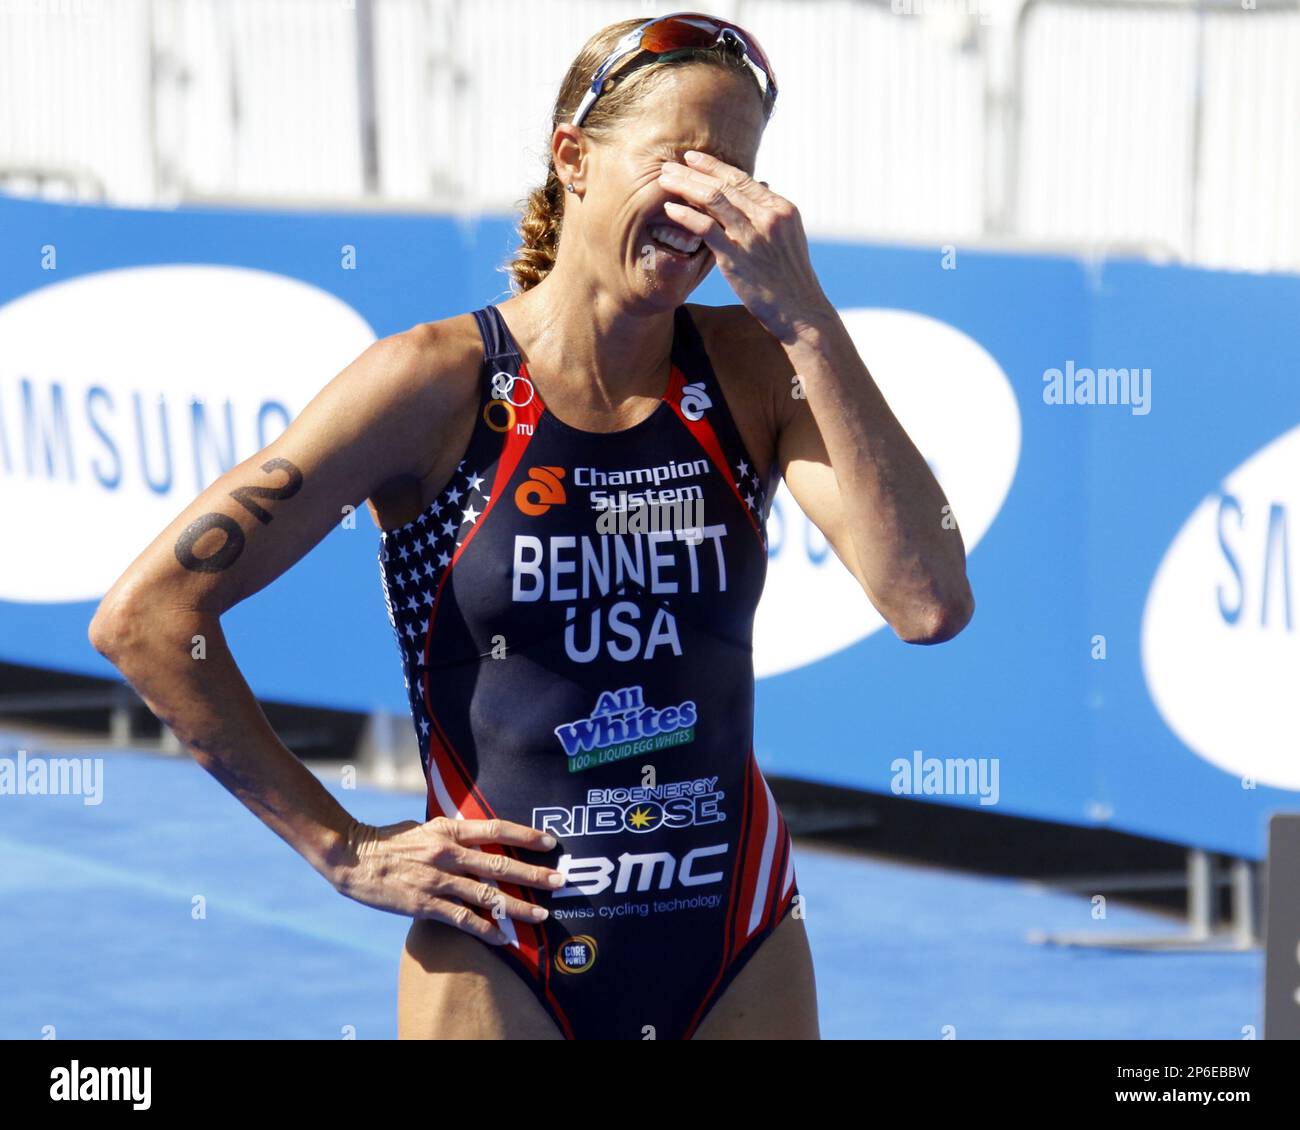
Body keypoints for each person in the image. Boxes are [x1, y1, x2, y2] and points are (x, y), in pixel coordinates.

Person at [88, 12, 973, 1040]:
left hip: (735, 937)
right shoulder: (434, 383)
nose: (708, 202)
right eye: (680, 160)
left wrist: (807, 319)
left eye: (736, 171)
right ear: (574, 159)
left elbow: (927, 602)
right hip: (502, 947)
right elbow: (148, 615)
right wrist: (342, 846)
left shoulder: (757, 369)